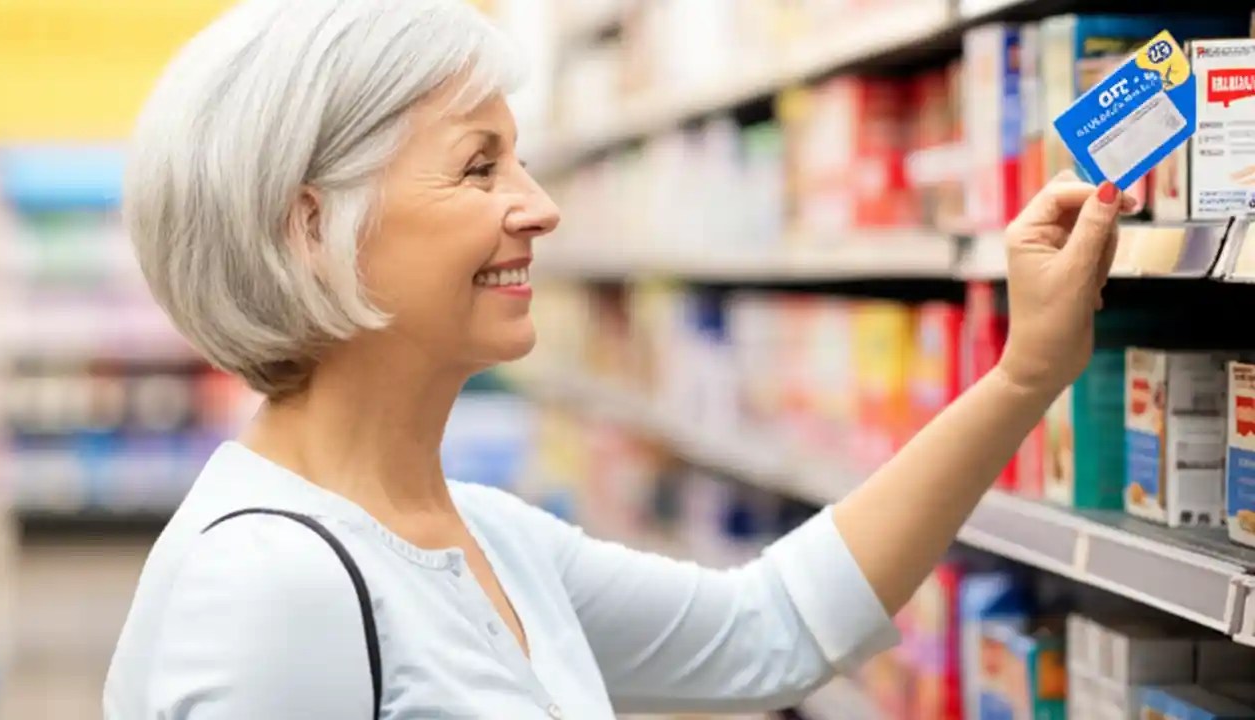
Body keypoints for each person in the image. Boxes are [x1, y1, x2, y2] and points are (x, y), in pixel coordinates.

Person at [103, 0, 1133, 717]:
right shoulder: (272, 583)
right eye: (478, 167)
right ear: (310, 226)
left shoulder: (481, 536)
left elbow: (769, 629)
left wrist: (1023, 373)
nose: (539, 206)